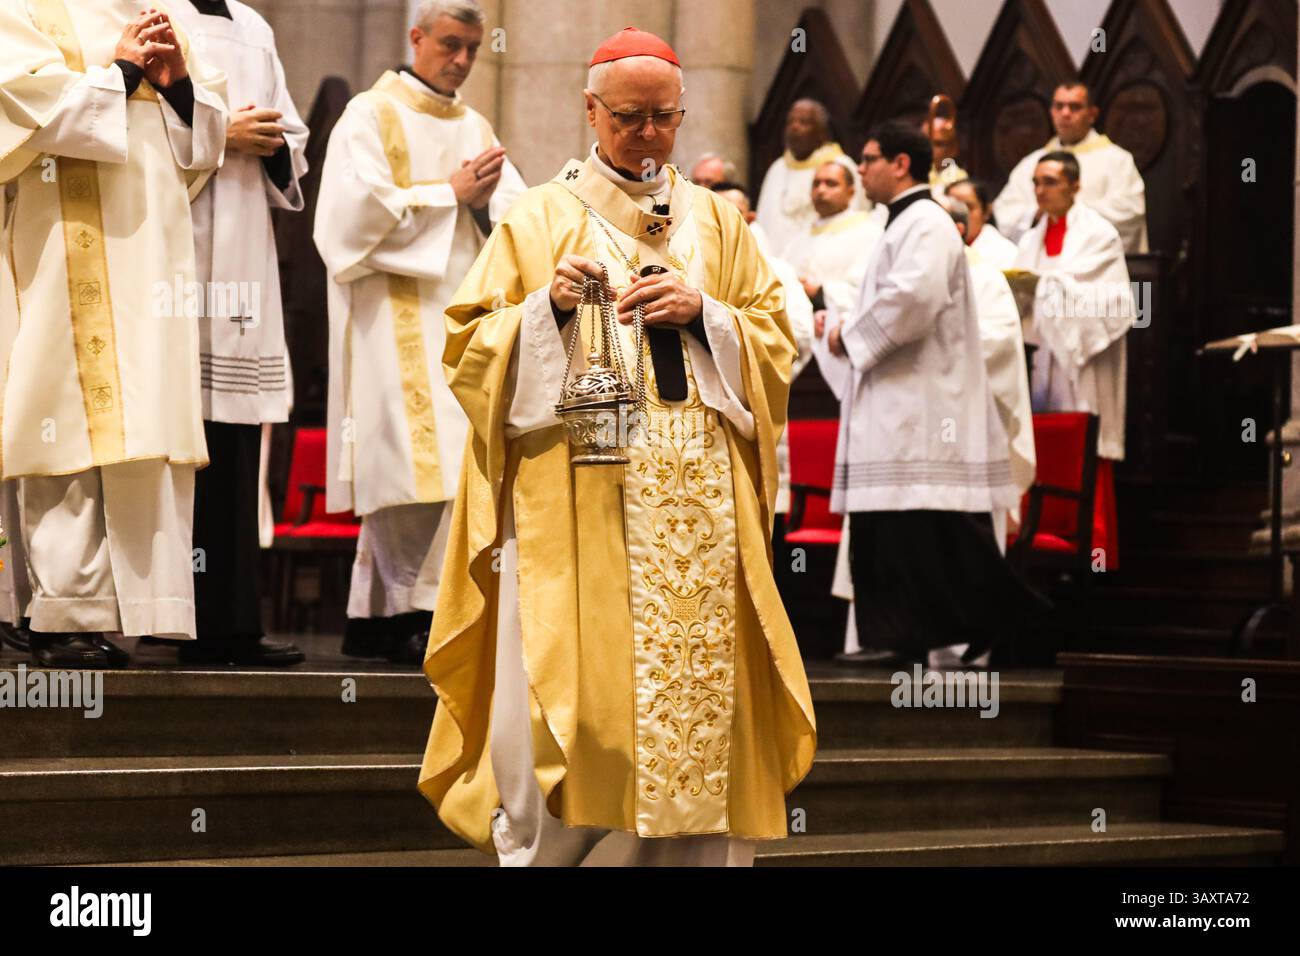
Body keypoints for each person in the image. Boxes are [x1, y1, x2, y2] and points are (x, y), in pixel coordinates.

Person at [417, 27, 815, 867]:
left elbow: (778, 345)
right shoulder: (539, 219)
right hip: (580, 508)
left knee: (707, 717)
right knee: (583, 715)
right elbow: (466, 354)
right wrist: (548, 313)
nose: (647, 133)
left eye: (663, 117)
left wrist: (707, 314)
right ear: (589, 110)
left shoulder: (718, 221)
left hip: (705, 517)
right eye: (628, 116)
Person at [0, 3, 227, 669]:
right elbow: (18, 107)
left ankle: (140, 612)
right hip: (63, 252)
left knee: (145, 422)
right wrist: (124, 73)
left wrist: (179, 83)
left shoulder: (158, 9)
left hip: (153, 253)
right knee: (62, 414)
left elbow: (205, 137)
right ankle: (60, 611)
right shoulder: (24, 9)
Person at [314, 0, 526, 665]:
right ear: (416, 37)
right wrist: (449, 195)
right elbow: (345, 224)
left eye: (471, 49)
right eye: (449, 45)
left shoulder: (474, 124)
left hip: (461, 318)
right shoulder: (368, 116)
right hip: (389, 320)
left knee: (452, 468)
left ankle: (381, 616)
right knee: (404, 468)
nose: (461, 60)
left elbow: (517, 213)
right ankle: (407, 611)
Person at [817, 120, 1042, 668]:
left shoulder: (927, 222)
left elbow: (914, 299)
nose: (861, 169)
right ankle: (900, 638)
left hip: (918, 408)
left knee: (918, 531)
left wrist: (849, 333)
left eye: (869, 159)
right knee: (897, 529)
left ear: (900, 164)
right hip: (897, 403)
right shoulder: (903, 225)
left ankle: (1012, 621)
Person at [171, 0, 309, 666]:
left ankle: (233, 621)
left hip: (246, 253)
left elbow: (295, 134)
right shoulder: (152, 11)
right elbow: (132, 128)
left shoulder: (254, 27)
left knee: (235, 440)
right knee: (178, 438)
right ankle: (170, 617)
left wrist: (276, 143)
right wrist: (220, 135)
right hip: (178, 252)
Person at [1012, 151, 1135, 465]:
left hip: (1082, 358)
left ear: (1075, 186)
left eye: (1050, 182)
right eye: (1036, 183)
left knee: (1081, 448)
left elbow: (1115, 302)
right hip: (1040, 353)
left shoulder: (1099, 235)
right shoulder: (1028, 241)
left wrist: (1048, 287)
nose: (1040, 191)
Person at [711, 180, 814, 519]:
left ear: (750, 217)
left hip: (756, 407)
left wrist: (747, 373)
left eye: (733, 214)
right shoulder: (694, 270)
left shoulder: (776, 270)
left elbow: (795, 337)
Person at [993, 82, 1147, 253]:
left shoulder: (1117, 160)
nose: (1065, 113)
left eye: (1075, 107)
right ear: (1051, 112)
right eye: (1059, 106)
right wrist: (1035, 215)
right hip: (1043, 259)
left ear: (1092, 114)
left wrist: (1068, 212)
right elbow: (1004, 212)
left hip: (1093, 258)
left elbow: (1130, 210)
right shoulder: (1031, 163)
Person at [755, 98, 861, 259]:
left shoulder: (841, 167)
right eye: (790, 121)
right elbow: (764, 220)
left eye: (804, 122)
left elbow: (854, 220)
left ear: (821, 132)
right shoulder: (778, 168)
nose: (794, 127)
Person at [786, 157, 882, 322]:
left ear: (851, 192)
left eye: (831, 183)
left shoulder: (868, 232)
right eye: (816, 184)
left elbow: (864, 289)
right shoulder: (800, 236)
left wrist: (819, 292)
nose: (821, 190)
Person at [946, 178, 1018, 270]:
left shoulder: (1006, 253)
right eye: (954, 209)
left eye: (969, 207)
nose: (960, 217)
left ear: (986, 211)